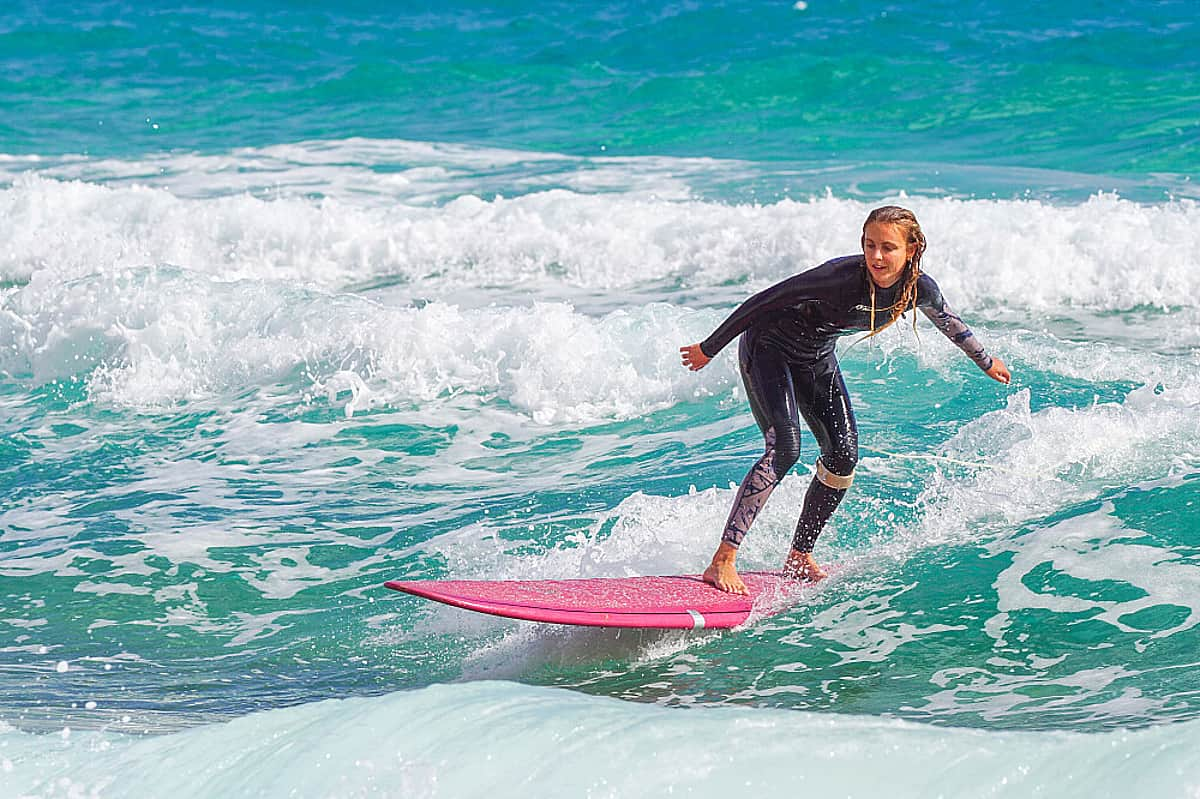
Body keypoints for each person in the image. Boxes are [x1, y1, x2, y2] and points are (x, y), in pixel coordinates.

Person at [680, 206, 1011, 594]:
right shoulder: (839, 278)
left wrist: (985, 361)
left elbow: (948, 322)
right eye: (870, 245)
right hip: (768, 346)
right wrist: (709, 347)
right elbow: (763, 301)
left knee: (843, 456)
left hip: (816, 356)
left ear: (912, 249)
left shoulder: (920, 288)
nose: (876, 257)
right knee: (785, 450)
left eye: (888, 247)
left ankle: (799, 555)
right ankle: (722, 561)